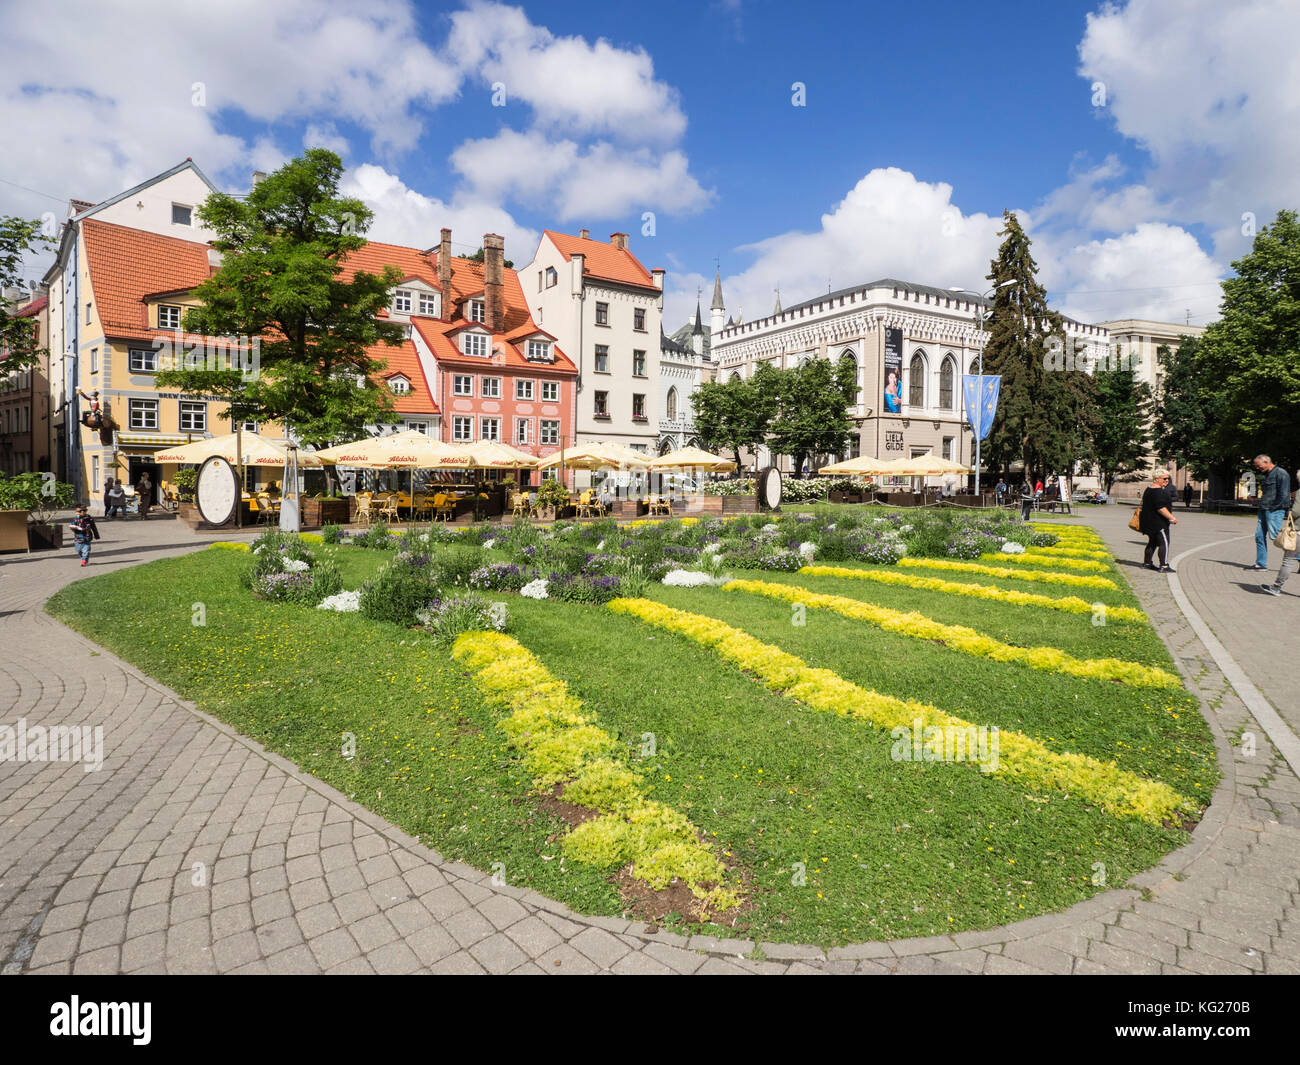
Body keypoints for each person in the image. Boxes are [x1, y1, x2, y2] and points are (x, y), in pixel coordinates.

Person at [1249, 454, 1291, 570]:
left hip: (1274, 510)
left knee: (1278, 538)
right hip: (1264, 509)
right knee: (1259, 536)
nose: (1258, 468)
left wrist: (1274, 508)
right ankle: (1261, 564)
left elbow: (1284, 494)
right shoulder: (1266, 474)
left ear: (1267, 462)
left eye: (1259, 465)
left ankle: (1298, 556)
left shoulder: (1281, 473)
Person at [1260, 487, 1299, 596]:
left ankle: (1276, 587)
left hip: (1298, 532)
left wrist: (1290, 513)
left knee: (1289, 560)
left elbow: (1296, 511)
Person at [1140, 470, 1178, 572]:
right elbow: (1161, 508)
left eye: (1168, 478)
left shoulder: (1148, 489)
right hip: (1158, 523)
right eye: (1164, 478)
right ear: (1157, 479)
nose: (1167, 480)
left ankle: (1147, 563)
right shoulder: (1159, 492)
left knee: (1152, 542)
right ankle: (1164, 566)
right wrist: (1171, 518)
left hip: (1148, 521)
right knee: (1164, 543)